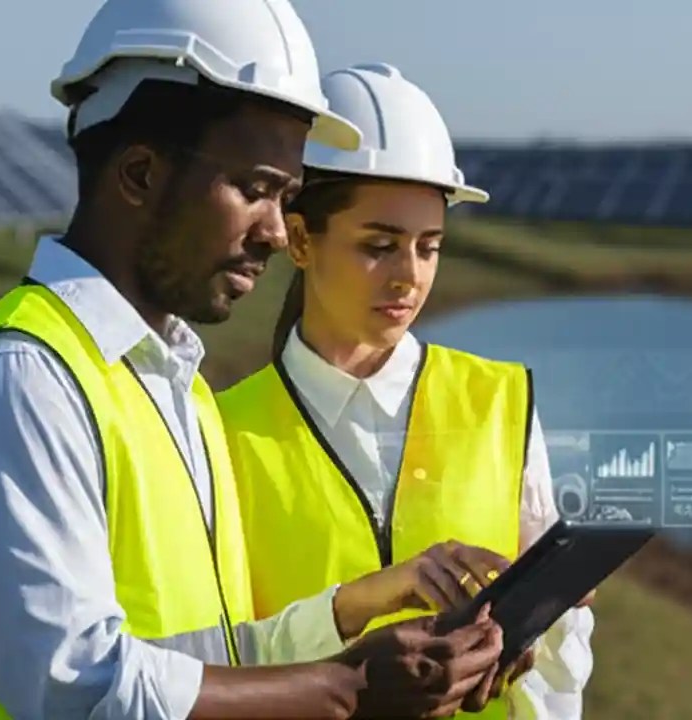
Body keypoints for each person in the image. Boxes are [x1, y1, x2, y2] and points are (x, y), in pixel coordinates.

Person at [0, 2, 504, 718]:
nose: (278, 234)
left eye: (287, 197)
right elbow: (80, 687)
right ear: (140, 174)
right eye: (255, 189)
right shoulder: (23, 382)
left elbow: (206, 663)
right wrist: (350, 689)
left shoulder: (176, 388)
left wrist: (353, 617)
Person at [217, 63, 595, 719]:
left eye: (429, 247)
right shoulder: (219, 430)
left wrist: (541, 626)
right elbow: (219, 660)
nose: (409, 278)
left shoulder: (501, 400)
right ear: (302, 239)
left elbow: (559, 680)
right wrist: (359, 604)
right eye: (379, 246)